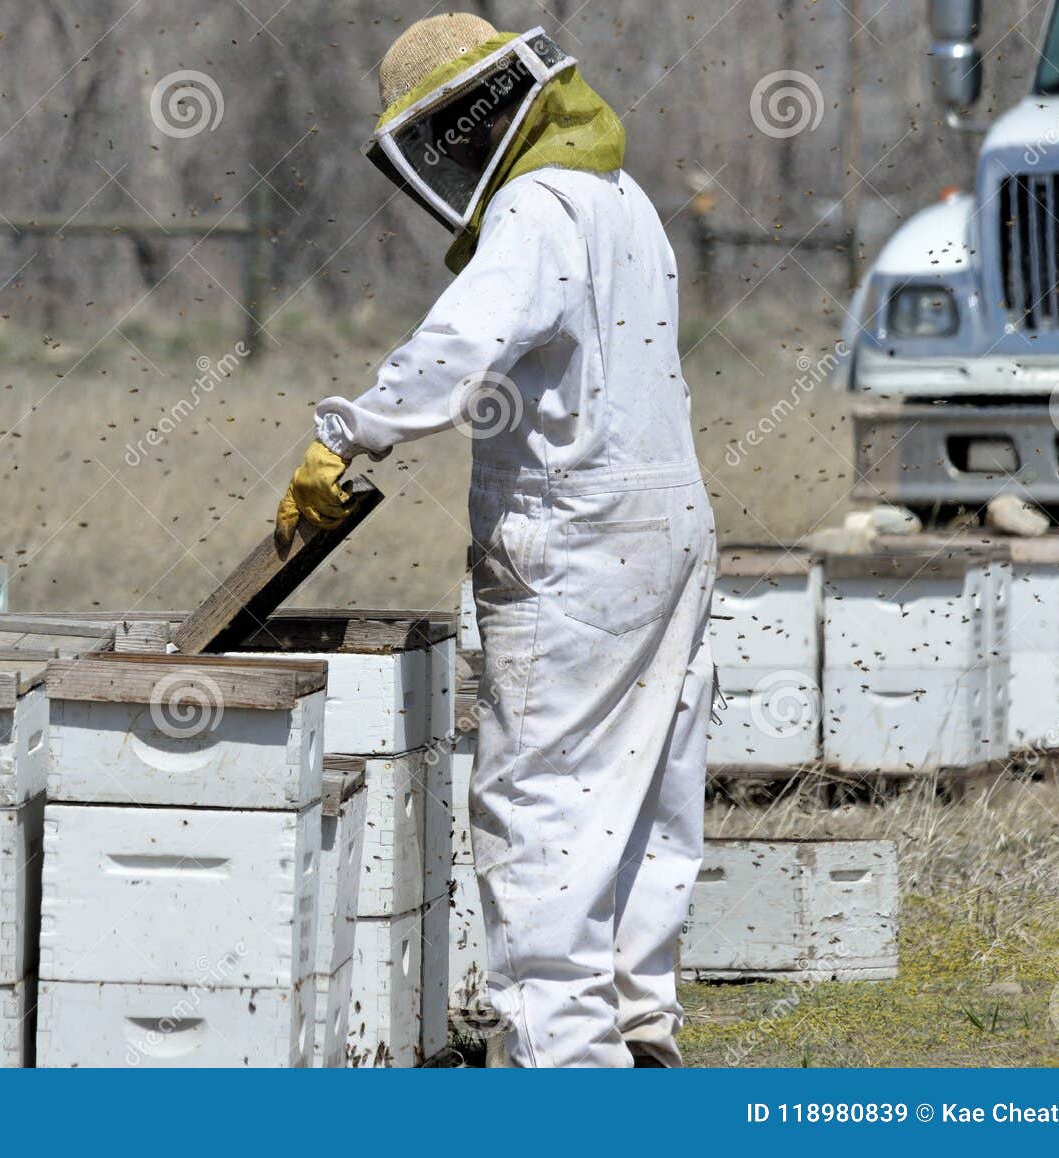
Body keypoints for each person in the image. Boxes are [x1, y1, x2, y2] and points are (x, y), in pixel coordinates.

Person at [274, 13, 716, 1068]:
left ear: (480, 113)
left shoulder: (533, 207)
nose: (452, 156)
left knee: (543, 800)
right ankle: (636, 1026)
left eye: (448, 132)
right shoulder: (621, 195)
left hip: (575, 534)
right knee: (647, 781)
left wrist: (348, 436)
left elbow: (460, 345)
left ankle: (563, 1067)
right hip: (671, 522)